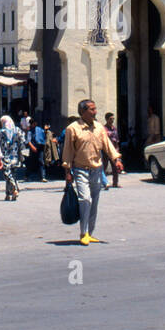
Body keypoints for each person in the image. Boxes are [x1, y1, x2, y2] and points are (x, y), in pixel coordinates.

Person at [62, 99, 122, 246]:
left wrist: (116, 160)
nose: (95, 112)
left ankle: (90, 232)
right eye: (92, 109)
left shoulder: (99, 128)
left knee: (94, 201)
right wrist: (67, 172)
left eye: (95, 109)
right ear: (82, 112)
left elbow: (107, 145)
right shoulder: (73, 128)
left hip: (96, 169)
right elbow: (68, 151)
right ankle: (83, 232)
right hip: (80, 169)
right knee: (85, 199)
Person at [0, 115, 25, 201]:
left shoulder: (0, 132)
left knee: (7, 174)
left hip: (5, 156)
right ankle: (8, 194)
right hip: (15, 156)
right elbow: (23, 143)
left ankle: (14, 188)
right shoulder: (18, 130)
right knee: (12, 174)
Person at [103, 112, 121, 189]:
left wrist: (117, 151)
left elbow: (116, 140)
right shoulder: (104, 129)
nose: (112, 120)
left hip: (113, 150)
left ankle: (115, 183)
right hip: (105, 150)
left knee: (115, 166)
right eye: (110, 119)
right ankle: (103, 182)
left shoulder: (114, 129)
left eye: (113, 119)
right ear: (106, 119)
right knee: (104, 167)